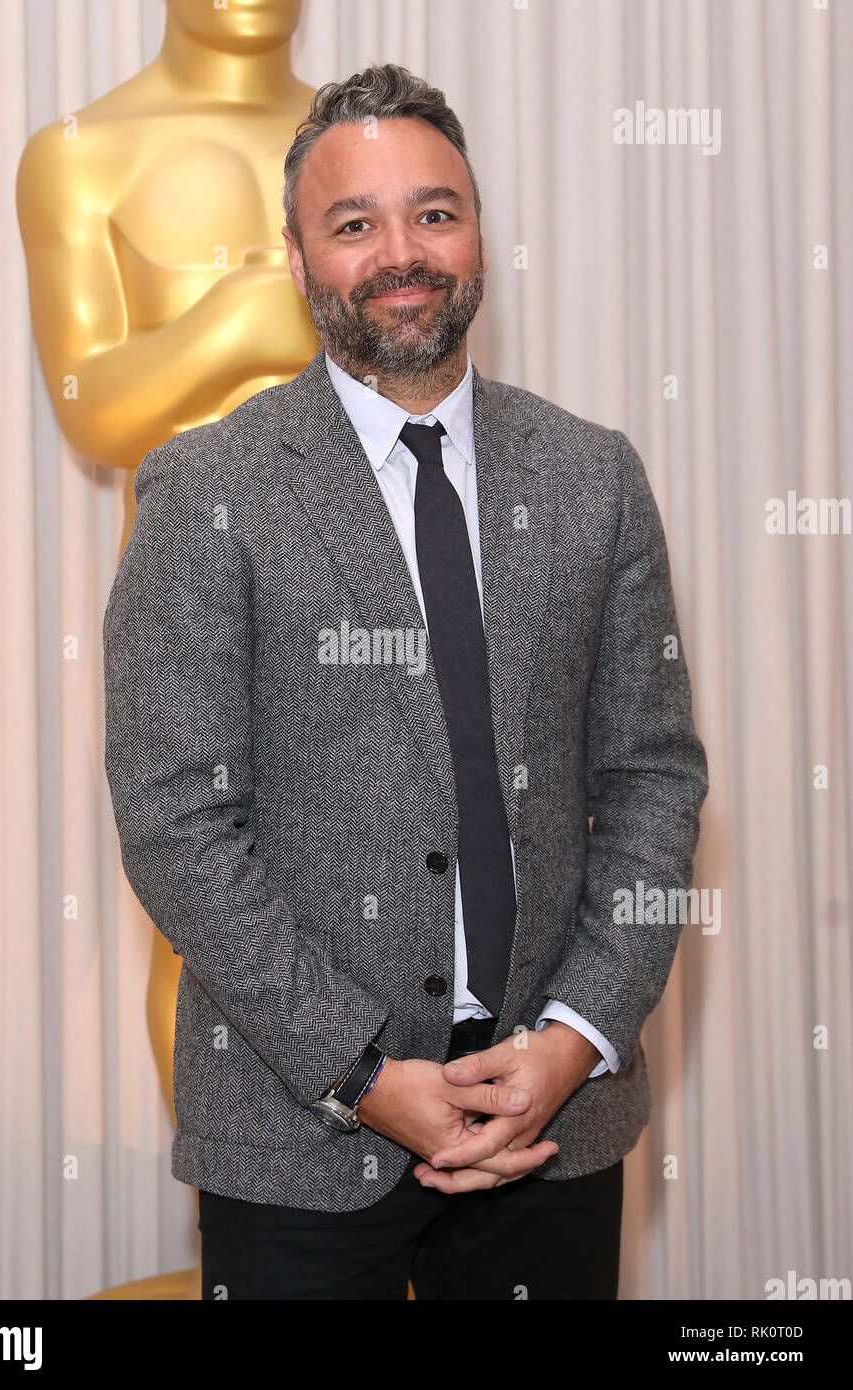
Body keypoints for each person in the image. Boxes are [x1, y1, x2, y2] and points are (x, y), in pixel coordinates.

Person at [103, 62, 708, 1301]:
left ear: (478, 232)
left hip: (554, 1127)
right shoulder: (204, 490)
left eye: (433, 211)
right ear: (295, 258)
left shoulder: (594, 477)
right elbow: (178, 828)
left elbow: (652, 781)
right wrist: (369, 1075)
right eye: (352, 222)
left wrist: (576, 1039)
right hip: (299, 1138)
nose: (400, 252)